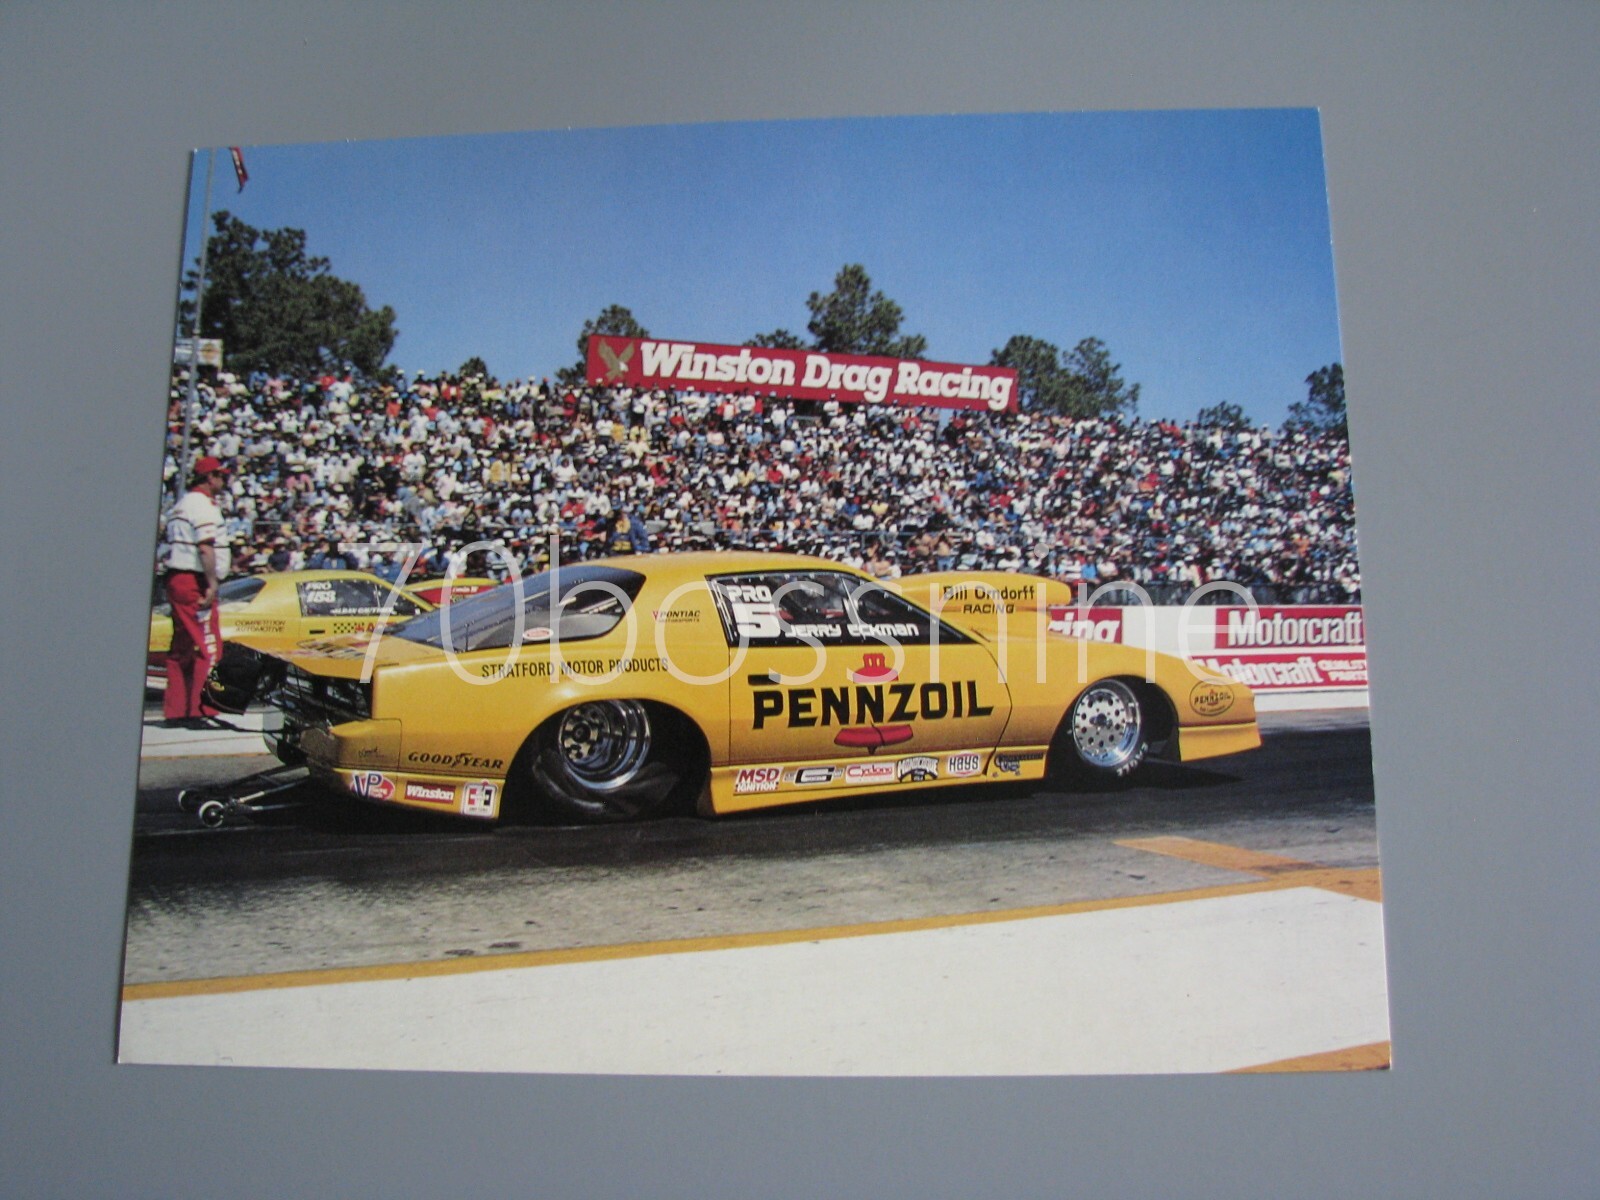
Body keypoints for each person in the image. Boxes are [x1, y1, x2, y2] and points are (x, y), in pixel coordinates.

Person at [160, 455, 229, 727]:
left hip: (177, 576)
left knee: (182, 648)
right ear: (209, 478)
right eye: (221, 476)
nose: (224, 481)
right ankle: (201, 709)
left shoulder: (181, 505)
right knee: (207, 646)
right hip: (194, 579)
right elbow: (205, 547)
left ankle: (177, 710)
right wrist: (212, 583)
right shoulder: (202, 506)